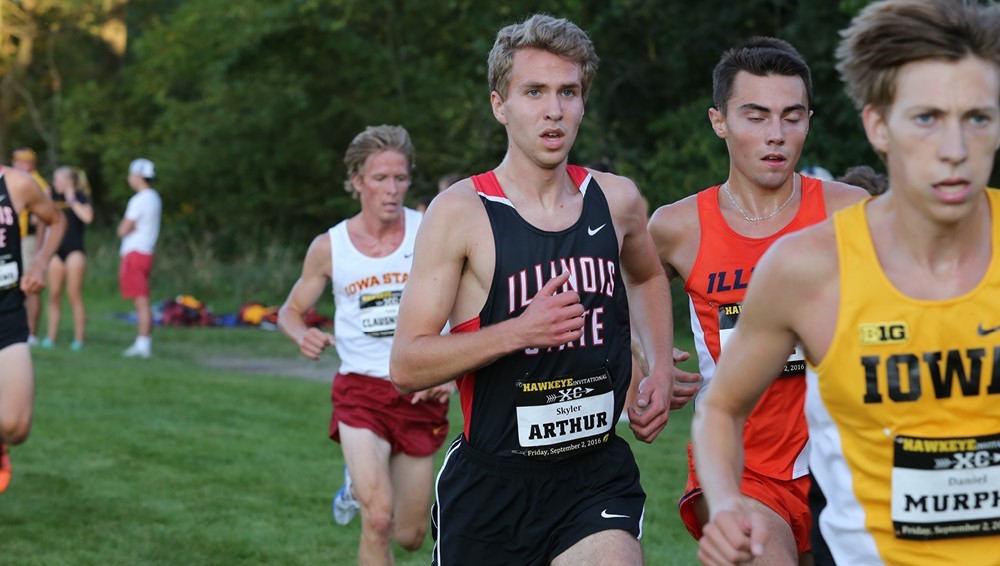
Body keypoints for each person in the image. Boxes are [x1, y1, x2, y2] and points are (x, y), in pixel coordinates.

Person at [692, 1, 1000, 564]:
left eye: (978, 117)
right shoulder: (808, 267)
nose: (955, 149)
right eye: (926, 118)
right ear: (878, 125)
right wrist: (727, 502)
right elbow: (721, 409)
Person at [390, 14, 693, 565]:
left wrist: (658, 368)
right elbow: (407, 364)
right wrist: (518, 332)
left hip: (594, 477)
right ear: (499, 105)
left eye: (567, 92)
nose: (554, 110)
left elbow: (647, 276)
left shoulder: (617, 200)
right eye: (534, 92)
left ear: (582, 103)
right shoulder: (460, 212)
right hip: (492, 487)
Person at [648, 38, 868, 565]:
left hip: (842, 462)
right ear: (719, 121)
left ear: (808, 121)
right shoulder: (676, 227)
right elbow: (628, 288)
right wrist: (648, 359)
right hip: (739, 468)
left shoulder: (851, 213)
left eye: (792, 117)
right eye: (756, 116)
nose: (776, 135)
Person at [277, 125, 451, 565]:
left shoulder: (431, 230)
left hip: (419, 391)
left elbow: (470, 304)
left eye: (401, 178)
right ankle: (361, 482)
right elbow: (289, 311)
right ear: (357, 181)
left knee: (410, 536)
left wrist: (449, 372)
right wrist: (302, 333)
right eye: (380, 178)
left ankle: (357, 484)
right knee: (378, 519)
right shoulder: (329, 247)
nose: (392, 189)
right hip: (360, 391)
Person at [0, 160, 67, 492]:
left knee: (16, 427)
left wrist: (40, 263)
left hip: (6, 312)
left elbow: (56, 220)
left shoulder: (16, 183)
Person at [41, 167, 94, 350]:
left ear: (69, 181)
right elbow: (40, 218)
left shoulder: (80, 197)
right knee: (54, 295)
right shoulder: (51, 197)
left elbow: (87, 218)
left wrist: (71, 199)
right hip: (55, 251)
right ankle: (50, 337)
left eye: (57, 179)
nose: (54, 183)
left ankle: (79, 339)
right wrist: (45, 198)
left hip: (75, 251)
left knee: (74, 294)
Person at [117, 158, 161, 358]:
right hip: (146, 252)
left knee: (141, 301)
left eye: (131, 175)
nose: (129, 178)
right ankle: (143, 342)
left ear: (139, 176)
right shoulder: (154, 197)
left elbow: (123, 229)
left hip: (136, 252)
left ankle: (143, 344)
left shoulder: (140, 199)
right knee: (142, 299)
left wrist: (126, 228)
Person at [12, 148, 50, 346]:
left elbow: (45, 220)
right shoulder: (17, 180)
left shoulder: (36, 183)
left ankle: (32, 333)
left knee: (29, 285)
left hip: (29, 239)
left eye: (23, 160)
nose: (18, 164)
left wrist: (38, 251)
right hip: (15, 238)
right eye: (16, 160)